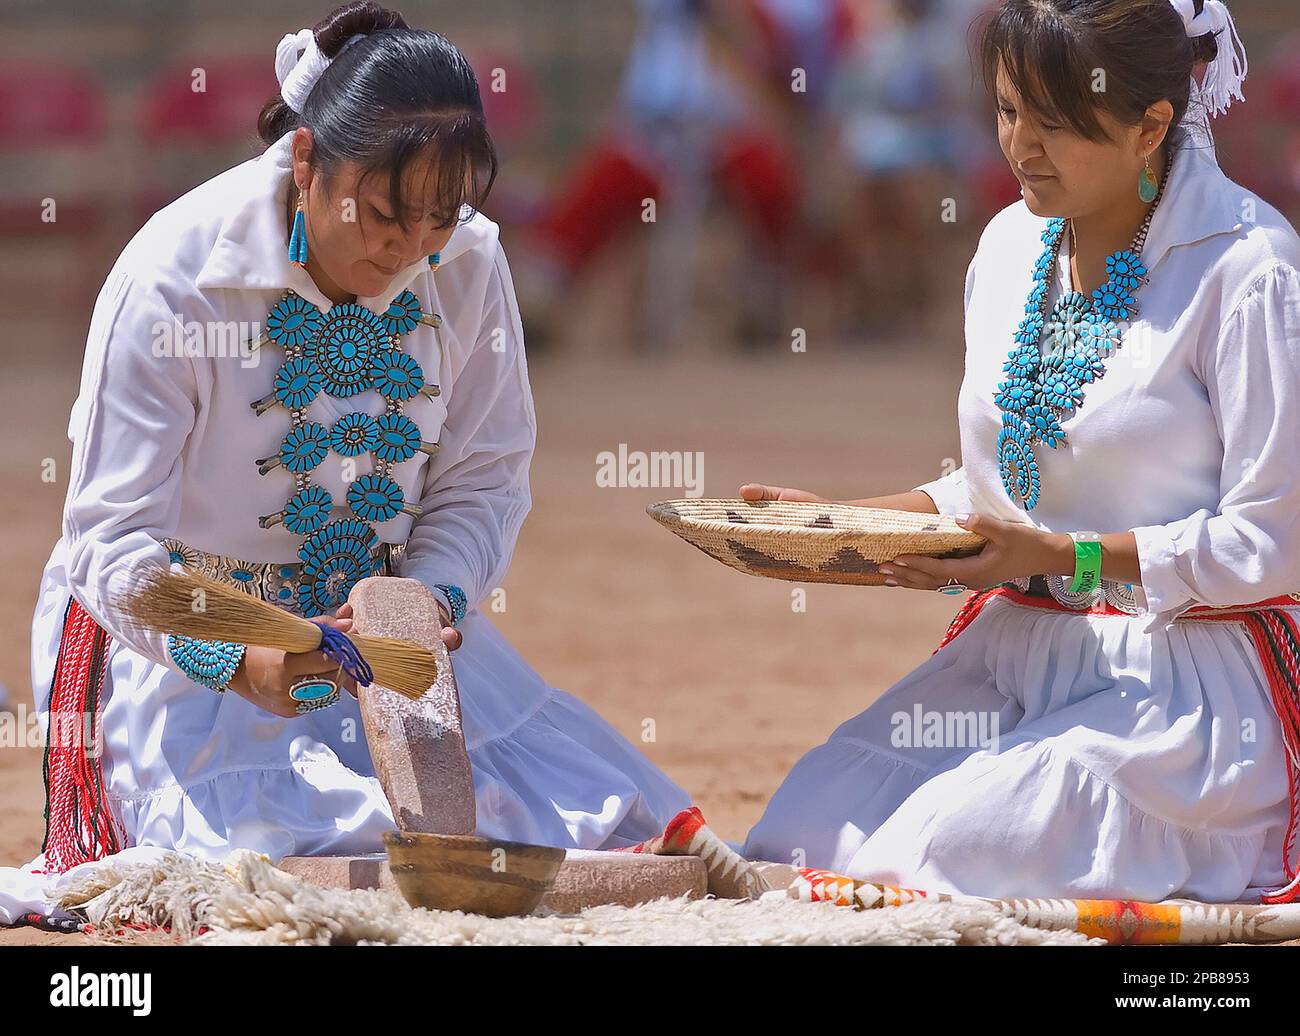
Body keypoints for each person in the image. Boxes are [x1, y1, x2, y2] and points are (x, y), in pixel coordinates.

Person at [0, 1, 691, 925]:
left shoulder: (471, 262)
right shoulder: (172, 275)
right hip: (179, 642)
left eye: (437, 218)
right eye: (382, 214)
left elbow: (483, 478)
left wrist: (425, 601)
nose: (407, 249)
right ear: (306, 162)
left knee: (586, 830)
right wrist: (245, 655)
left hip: (375, 638)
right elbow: (111, 551)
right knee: (289, 860)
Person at [742, 0, 1300, 905]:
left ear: (1151, 125)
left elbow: (1272, 543)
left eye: (1056, 124)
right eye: (1007, 112)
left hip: (1182, 689)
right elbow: (1007, 480)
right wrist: (842, 522)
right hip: (1014, 653)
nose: (1021, 148)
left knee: (932, 856)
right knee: (809, 828)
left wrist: (1068, 557)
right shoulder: (1008, 245)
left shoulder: (1250, 271)